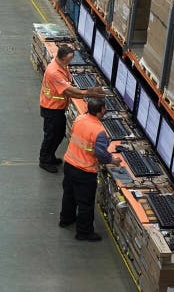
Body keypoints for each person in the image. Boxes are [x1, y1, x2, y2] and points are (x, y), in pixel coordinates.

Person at [59, 98, 121, 241]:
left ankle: (66, 219)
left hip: (69, 163)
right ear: (100, 112)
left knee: (69, 195)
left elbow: (76, 136)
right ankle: (84, 232)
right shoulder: (99, 131)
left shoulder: (80, 119)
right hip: (84, 171)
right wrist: (113, 160)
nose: (105, 110)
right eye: (104, 109)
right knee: (85, 203)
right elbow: (101, 154)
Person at [39, 45, 104, 173]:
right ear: (62, 58)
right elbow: (68, 91)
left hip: (58, 107)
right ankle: (44, 160)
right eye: (69, 59)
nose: (71, 61)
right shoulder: (54, 72)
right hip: (51, 108)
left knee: (58, 134)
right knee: (51, 135)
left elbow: (68, 88)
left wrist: (84, 93)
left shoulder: (61, 65)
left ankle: (50, 155)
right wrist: (88, 93)